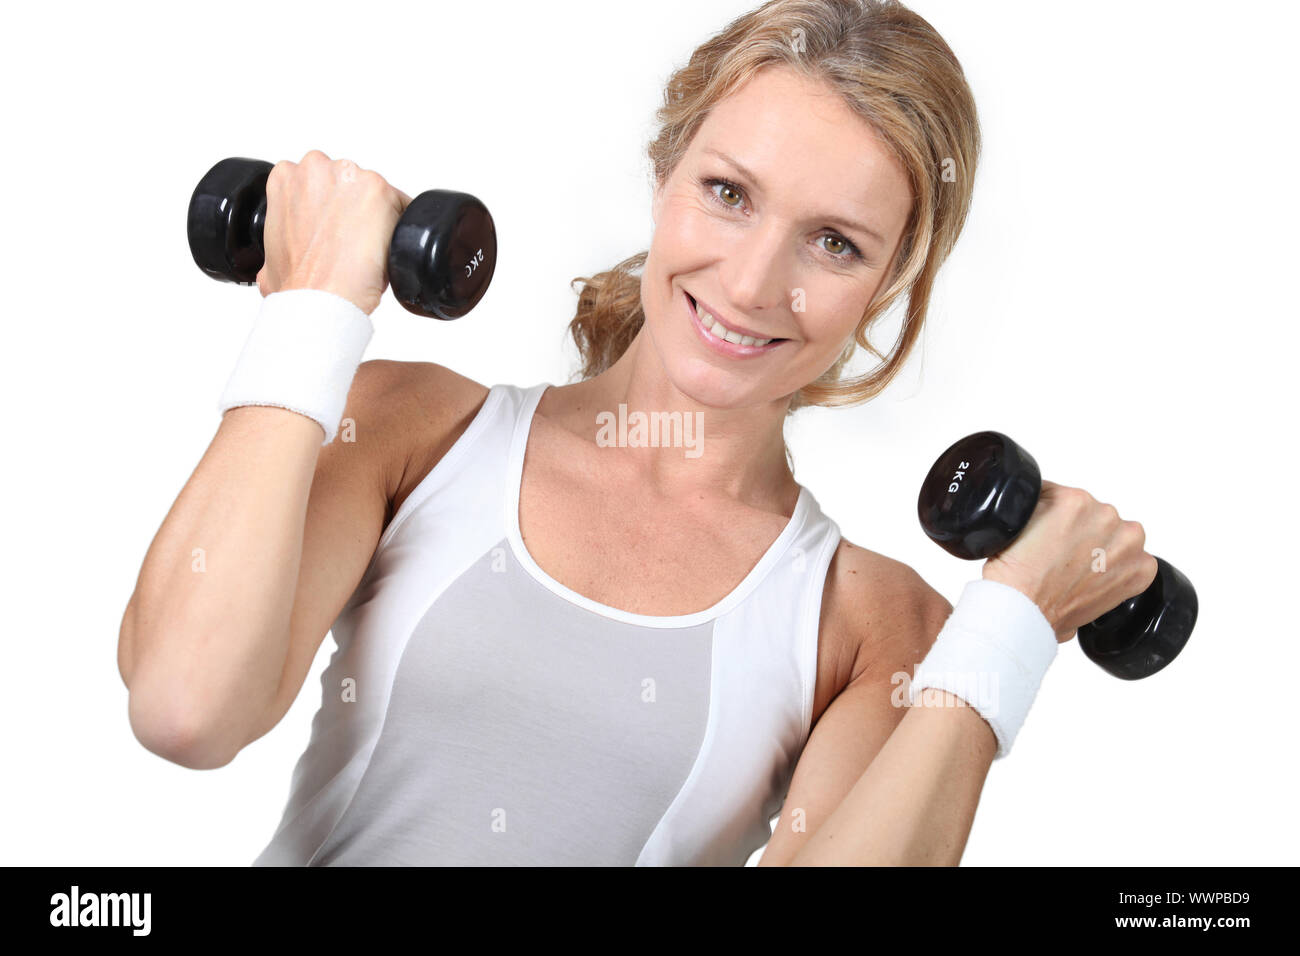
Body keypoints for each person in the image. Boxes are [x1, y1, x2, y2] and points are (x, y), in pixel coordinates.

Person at [117, 0, 1157, 866]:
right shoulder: (412, 428)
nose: (750, 284)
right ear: (663, 176)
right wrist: (313, 311)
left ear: (891, 284)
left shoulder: (874, 625)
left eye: (834, 243)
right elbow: (186, 707)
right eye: (726, 193)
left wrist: (1005, 632)